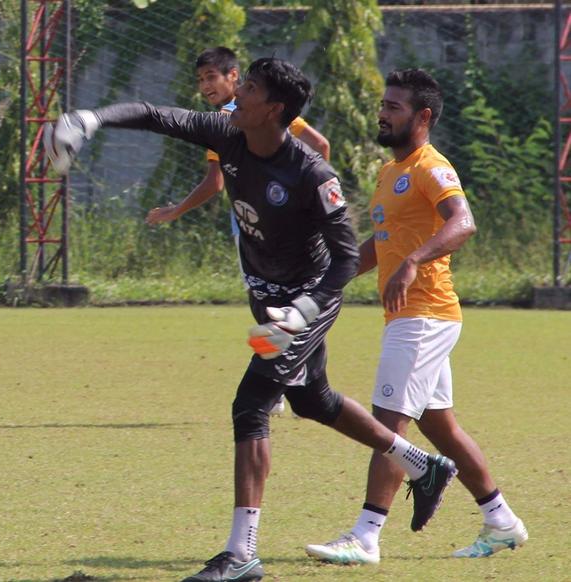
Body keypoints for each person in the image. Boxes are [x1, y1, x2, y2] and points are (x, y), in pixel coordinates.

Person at [44, 57, 458, 582]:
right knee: (313, 400)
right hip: (267, 297)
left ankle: (242, 554)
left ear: (275, 109)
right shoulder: (228, 133)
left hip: (307, 302)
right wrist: (92, 119)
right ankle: (421, 464)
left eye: (251, 88)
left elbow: (348, 259)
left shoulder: (312, 174)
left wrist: (302, 312)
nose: (236, 93)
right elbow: (154, 114)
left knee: (252, 403)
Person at [304, 68, 528, 565]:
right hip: (412, 317)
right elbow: (379, 247)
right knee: (440, 428)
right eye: (383, 104)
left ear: (422, 117)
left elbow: (463, 222)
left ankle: (365, 536)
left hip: (424, 315)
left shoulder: (431, 166)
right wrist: (328, 278)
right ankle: (502, 521)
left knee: (388, 422)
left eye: (394, 107)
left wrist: (413, 262)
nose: (382, 113)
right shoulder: (389, 172)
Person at [145, 47, 331, 418]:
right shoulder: (242, 115)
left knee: (270, 298)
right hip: (251, 222)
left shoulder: (236, 118)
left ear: (234, 77)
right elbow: (321, 146)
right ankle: (297, 378)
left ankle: (280, 383)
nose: (205, 85)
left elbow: (215, 183)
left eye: (212, 76)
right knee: (294, 297)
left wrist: (175, 210)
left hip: (263, 226)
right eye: (200, 79)